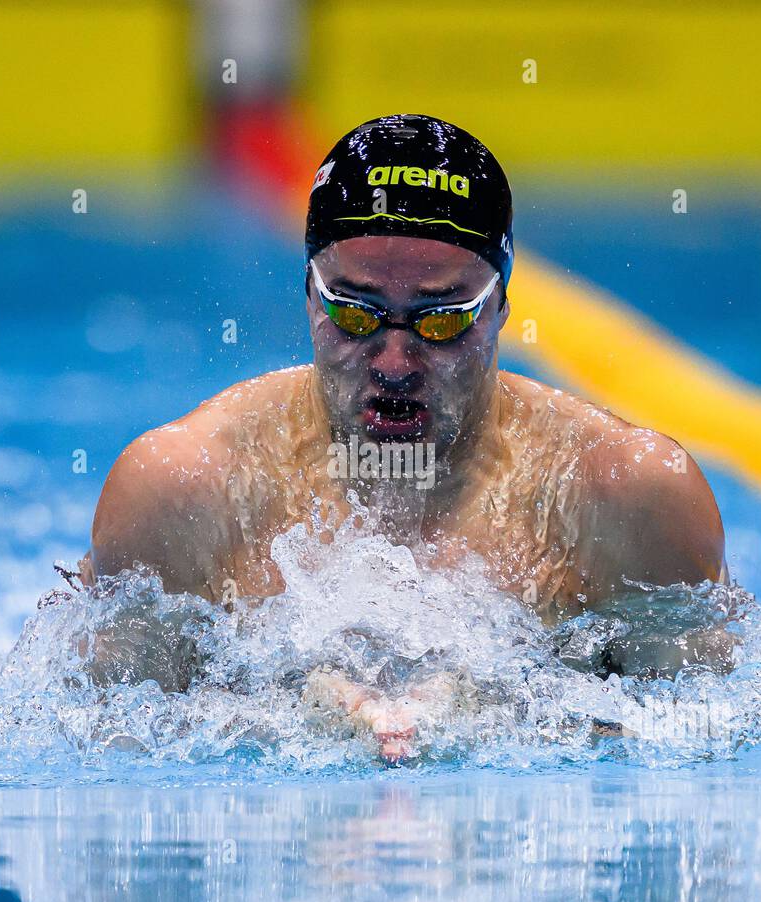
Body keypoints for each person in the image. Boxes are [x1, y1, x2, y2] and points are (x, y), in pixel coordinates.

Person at [80, 114, 728, 759]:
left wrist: (490, 717)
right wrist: (292, 716)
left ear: (502, 304)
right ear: (309, 294)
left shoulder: (625, 498)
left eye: (441, 321)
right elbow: (107, 758)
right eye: (354, 313)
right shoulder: (185, 492)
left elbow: (703, 757)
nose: (393, 362)